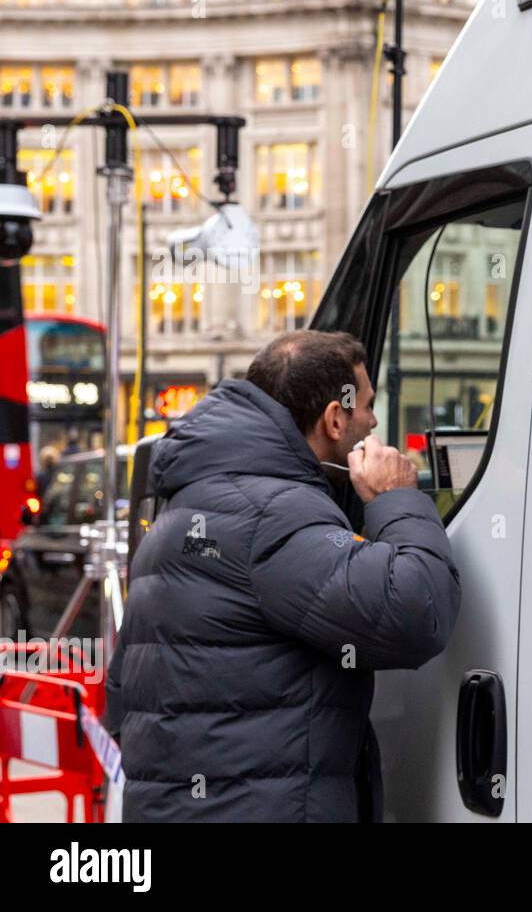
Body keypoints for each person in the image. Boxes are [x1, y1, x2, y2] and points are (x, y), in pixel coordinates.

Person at [105, 331, 460, 822]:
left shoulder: (192, 500)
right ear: (335, 419)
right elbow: (417, 612)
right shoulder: (276, 513)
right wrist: (395, 497)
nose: (375, 422)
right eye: (368, 407)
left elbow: (121, 694)